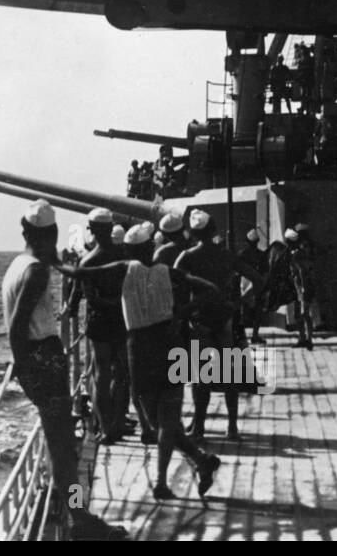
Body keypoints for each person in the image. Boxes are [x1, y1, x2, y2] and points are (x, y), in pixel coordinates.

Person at [62, 223, 223, 499]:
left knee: (162, 421)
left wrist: (57, 263)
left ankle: (162, 482)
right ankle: (201, 460)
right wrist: (182, 313)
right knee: (165, 423)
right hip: (165, 346)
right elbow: (210, 289)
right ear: (151, 247)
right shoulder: (167, 272)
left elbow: (81, 273)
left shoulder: (124, 268)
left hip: (140, 348)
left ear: (129, 249)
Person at [2, 199, 125, 540]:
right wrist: (31, 374)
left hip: (36, 360)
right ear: (52, 233)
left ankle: (76, 514)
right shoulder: (37, 271)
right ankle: (80, 519)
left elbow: (15, 329)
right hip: (44, 359)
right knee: (64, 449)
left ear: (24, 231)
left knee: (61, 444)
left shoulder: (20, 263)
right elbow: (17, 327)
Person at [175, 210, 264, 441]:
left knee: (200, 378)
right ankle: (232, 427)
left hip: (199, 321)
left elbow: (172, 284)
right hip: (224, 319)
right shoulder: (227, 256)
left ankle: (199, 428)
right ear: (213, 229)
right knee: (230, 376)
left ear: (193, 233)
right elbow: (258, 279)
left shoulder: (187, 256)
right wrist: (239, 301)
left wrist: (184, 309)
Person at [65, 208, 134, 444]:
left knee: (100, 375)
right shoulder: (125, 255)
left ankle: (105, 429)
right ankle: (117, 421)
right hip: (122, 319)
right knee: (122, 373)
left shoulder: (88, 261)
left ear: (91, 230)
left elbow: (92, 299)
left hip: (99, 322)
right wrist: (119, 304)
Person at [287, 225, 320, 349]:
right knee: (301, 314)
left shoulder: (298, 252)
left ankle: (307, 339)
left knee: (303, 313)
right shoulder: (308, 249)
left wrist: (303, 286)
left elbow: (301, 271)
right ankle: (305, 339)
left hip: (302, 285)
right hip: (302, 285)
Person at [236, 228, 268, 344]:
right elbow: (265, 271)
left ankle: (242, 336)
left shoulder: (242, 254)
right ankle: (255, 334)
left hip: (245, 282)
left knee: (244, 309)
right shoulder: (261, 255)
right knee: (258, 310)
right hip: (257, 282)